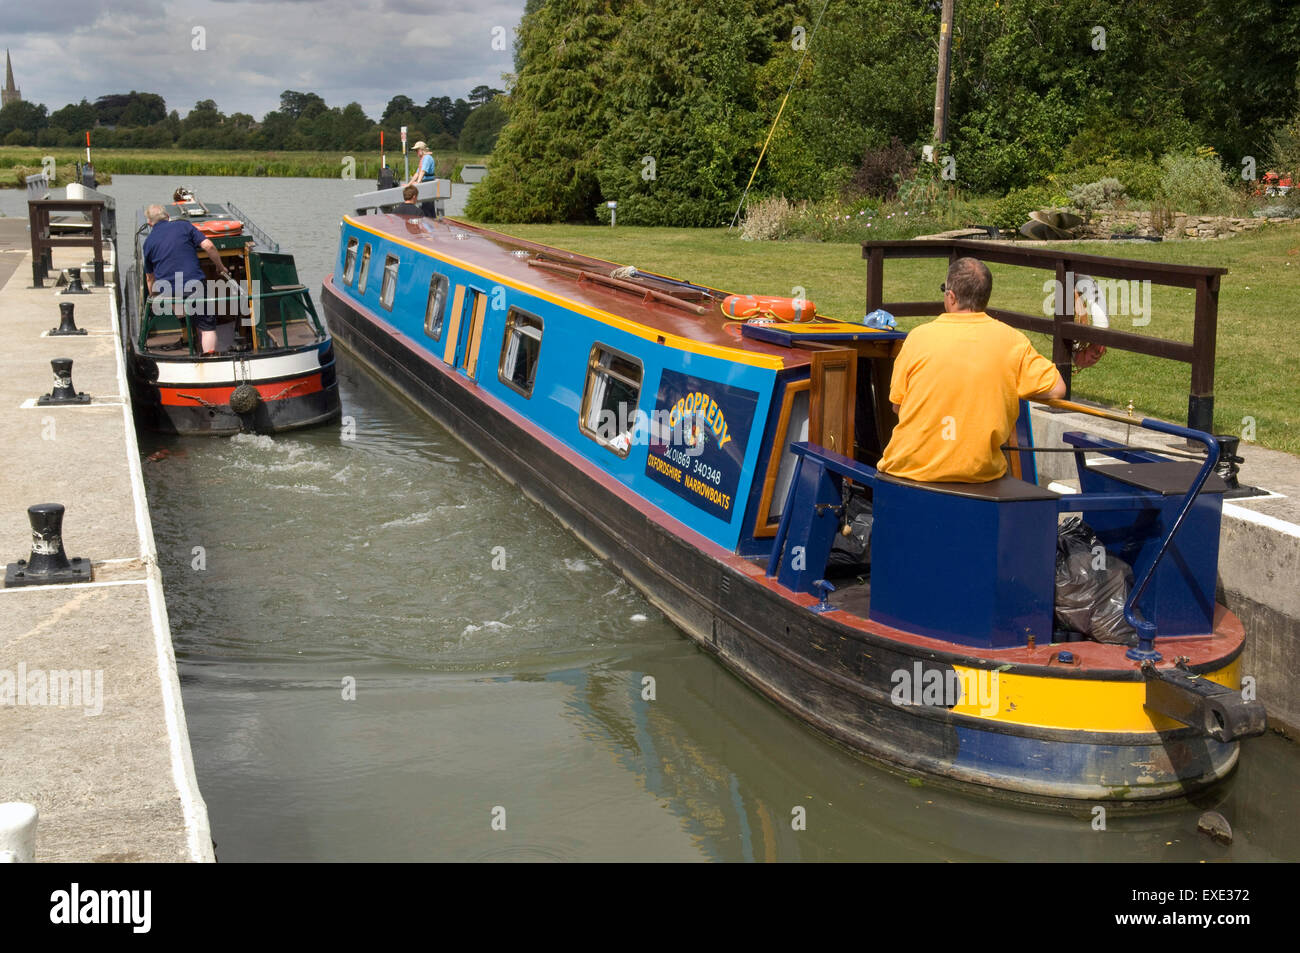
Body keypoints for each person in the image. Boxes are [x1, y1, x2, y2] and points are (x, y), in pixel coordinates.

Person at [877, 257, 1066, 484]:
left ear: (952, 296)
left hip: (911, 471)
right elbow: (1057, 389)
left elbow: (898, 406)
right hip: (980, 474)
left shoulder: (918, 337)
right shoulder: (1013, 341)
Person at [142, 204, 232, 356]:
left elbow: (150, 277)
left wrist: (152, 297)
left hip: (169, 289)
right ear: (168, 217)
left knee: (181, 310)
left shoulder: (148, 242)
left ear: (150, 223)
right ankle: (209, 358)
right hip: (194, 285)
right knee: (207, 326)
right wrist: (220, 267)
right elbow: (209, 246)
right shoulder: (183, 226)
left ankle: (189, 341)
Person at [405, 141, 439, 216]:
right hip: (425, 184)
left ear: (421, 149)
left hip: (428, 184)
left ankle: (429, 223)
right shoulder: (423, 159)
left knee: (427, 206)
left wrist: (418, 182)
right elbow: (417, 174)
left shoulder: (427, 158)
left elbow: (423, 171)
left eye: (417, 150)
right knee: (427, 206)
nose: (416, 152)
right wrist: (408, 185)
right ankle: (431, 222)